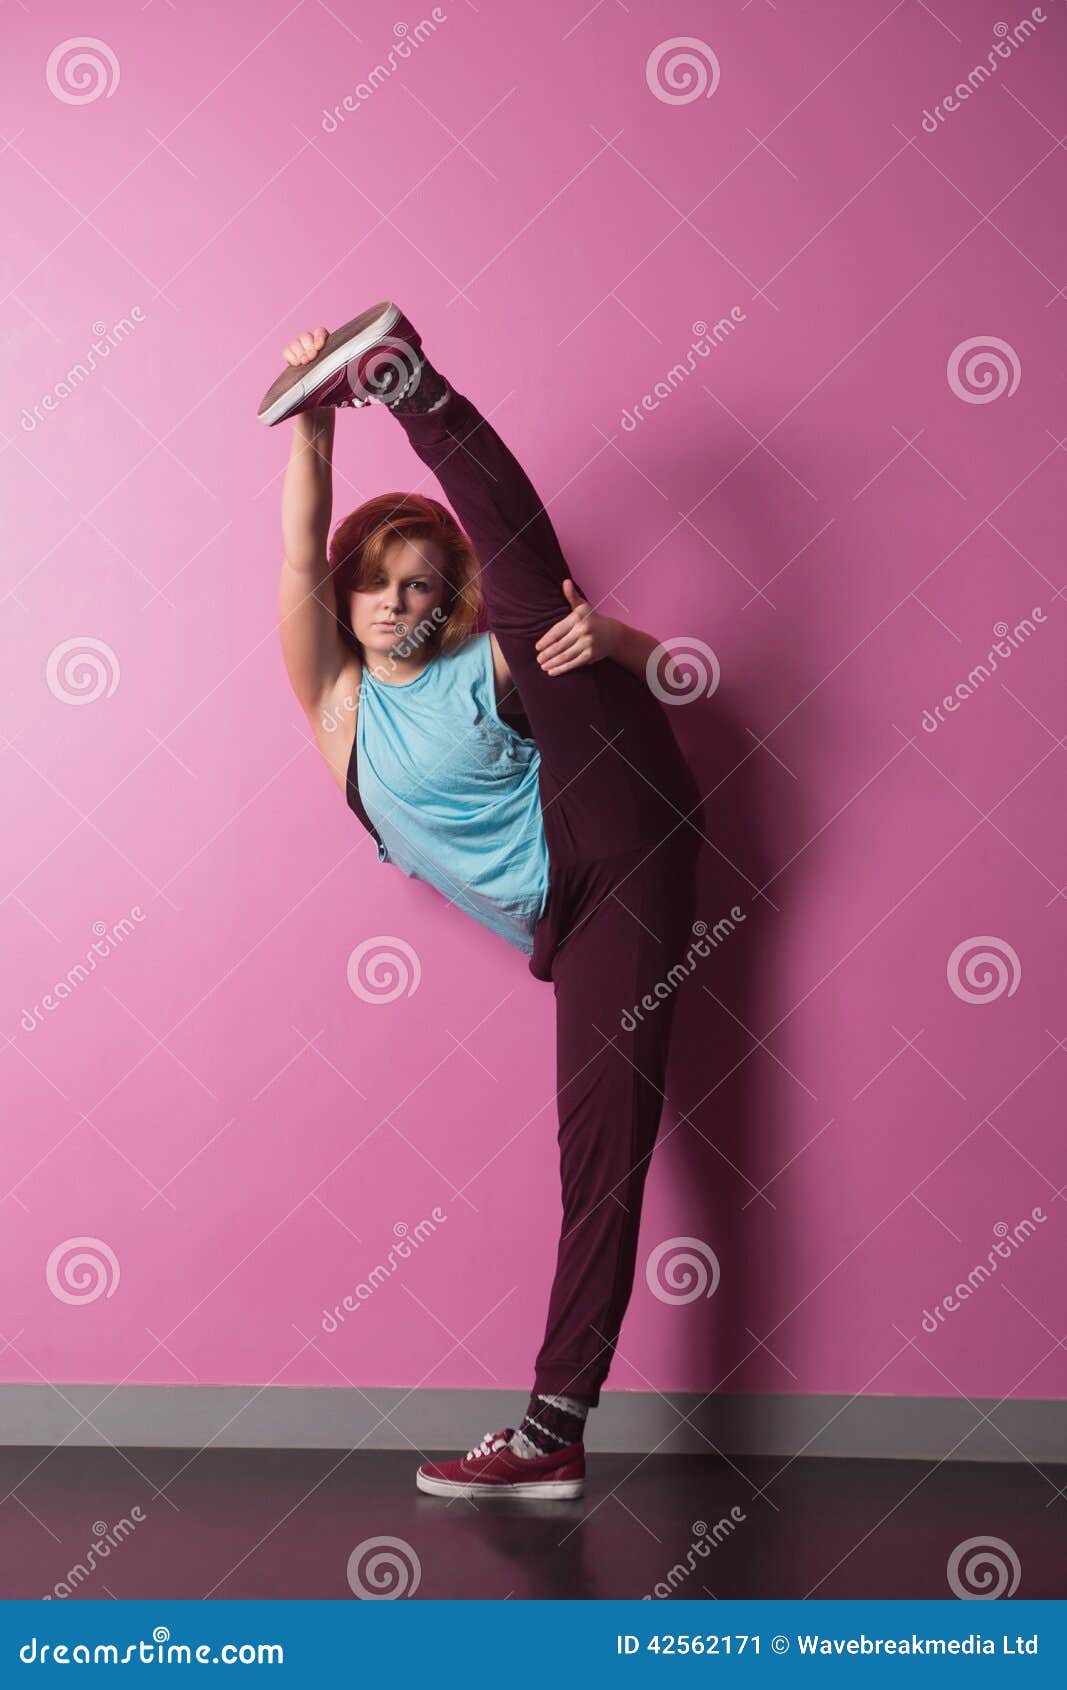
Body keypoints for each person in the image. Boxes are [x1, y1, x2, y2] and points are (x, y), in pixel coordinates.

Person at [260, 303, 703, 1500]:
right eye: (377, 585)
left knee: (535, 605)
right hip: (587, 920)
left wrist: (617, 641)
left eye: (419, 587)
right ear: (348, 598)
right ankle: (553, 1429)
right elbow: (298, 560)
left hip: (616, 817)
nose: (397, 603)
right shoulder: (340, 710)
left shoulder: (478, 659)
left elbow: (681, 676)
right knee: (599, 1150)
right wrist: (311, 424)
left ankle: (413, 386)